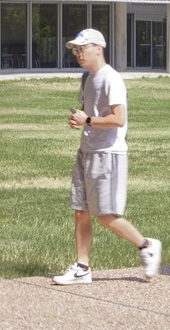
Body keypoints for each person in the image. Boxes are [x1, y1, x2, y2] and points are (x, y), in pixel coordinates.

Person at [52, 27, 162, 286]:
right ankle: (82, 268)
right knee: (81, 210)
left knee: (106, 214)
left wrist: (88, 119)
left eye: (83, 48)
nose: (78, 53)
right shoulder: (87, 78)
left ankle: (146, 245)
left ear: (98, 49)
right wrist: (80, 119)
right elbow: (87, 110)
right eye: (76, 50)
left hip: (108, 153)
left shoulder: (111, 79)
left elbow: (118, 119)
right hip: (87, 150)